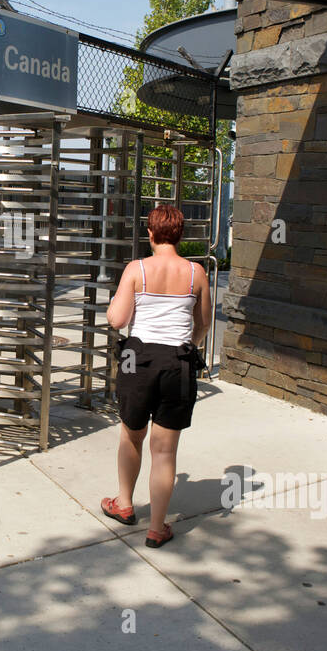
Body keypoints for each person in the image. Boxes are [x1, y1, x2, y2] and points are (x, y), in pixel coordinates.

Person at [102, 204, 212, 548]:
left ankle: (124, 504)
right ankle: (158, 527)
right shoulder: (197, 272)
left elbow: (118, 320)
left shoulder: (137, 269)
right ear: (180, 235)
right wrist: (187, 346)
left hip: (138, 358)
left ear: (150, 233)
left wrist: (113, 304)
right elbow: (204, 322)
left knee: (131, 436)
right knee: (164, 451)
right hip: (178, 361)